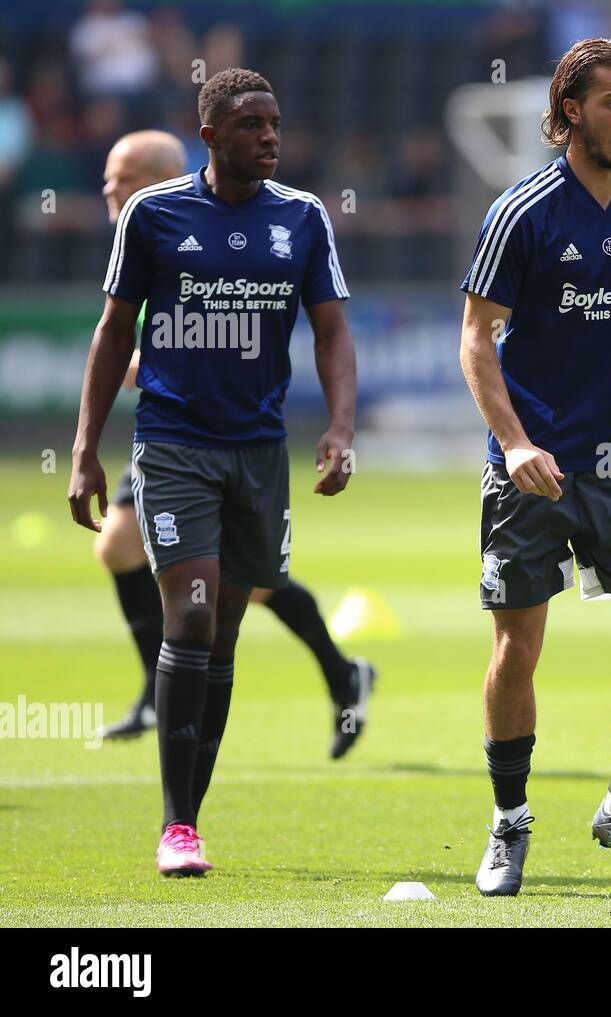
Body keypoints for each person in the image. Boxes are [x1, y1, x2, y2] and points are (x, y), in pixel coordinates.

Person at [69, 68, 358, 876]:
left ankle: (192, 812)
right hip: (172, 447)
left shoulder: (301, 218)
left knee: (224, 633)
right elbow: (112, 332)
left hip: (259, 452)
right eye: (250, 124)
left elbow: (332, 331)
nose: (268, 136)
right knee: (190, 617)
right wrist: (87, 447)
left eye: (275, 123)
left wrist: (339, 426)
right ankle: (176, 826)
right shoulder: (156, 215)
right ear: (210, 135)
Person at [458, 38, 611, 895]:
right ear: (569, 111)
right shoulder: (522, 213)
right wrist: (515, 442)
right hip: (534, 466)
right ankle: (508, 823)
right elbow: (476, 340)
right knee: (519, 647)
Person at [94, 129, 375, 760]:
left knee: (229, 584)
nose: (110, 188)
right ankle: (165, 685)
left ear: (165, 175)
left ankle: (339, 672)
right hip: (172, 434)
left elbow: (306, 329)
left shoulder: (204, 222)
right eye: (109, 176)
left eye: (125, 175)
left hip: (232, 435)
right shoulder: (143, 228)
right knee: (133, 551)